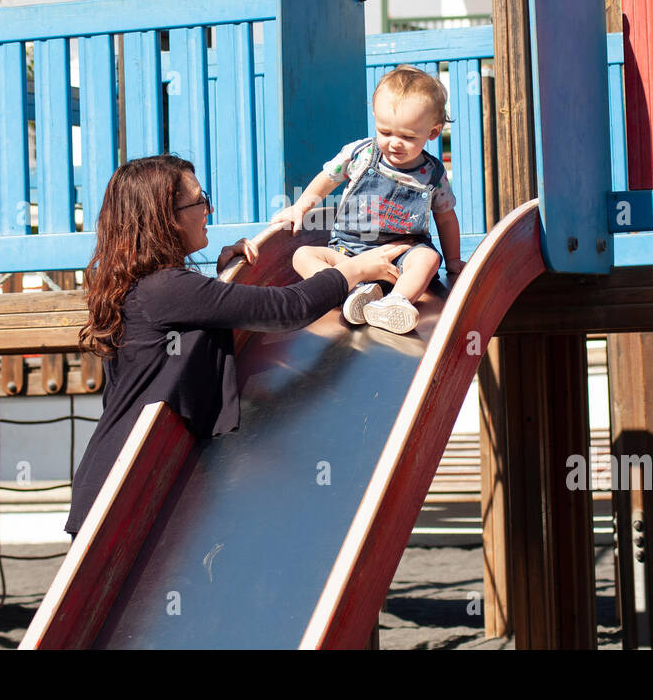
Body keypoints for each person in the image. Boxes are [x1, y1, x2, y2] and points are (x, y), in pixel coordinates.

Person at [64, 154, 405, 537]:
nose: (209, 208)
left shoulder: (149, 287)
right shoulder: (167, 289)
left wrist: (223, 278)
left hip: (129, 473)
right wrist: (351, 272)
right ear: (167, 218)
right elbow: (286, 310)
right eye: (198, 201)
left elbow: (198, 327)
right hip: (123, 484)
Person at [271, 65, 465, 335]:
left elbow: (445, 217)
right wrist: (301, 206)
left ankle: (396, 302)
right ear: (375, 118)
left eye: (408, 137)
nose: (394, 143)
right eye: (385, 132)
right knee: (303, 255)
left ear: (433, 132)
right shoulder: (360, 154)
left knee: (428, 258)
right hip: (347, 255)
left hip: (401, 256)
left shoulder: (432, 174)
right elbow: (327, 179)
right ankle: (353, 293)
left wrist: (453, 259)